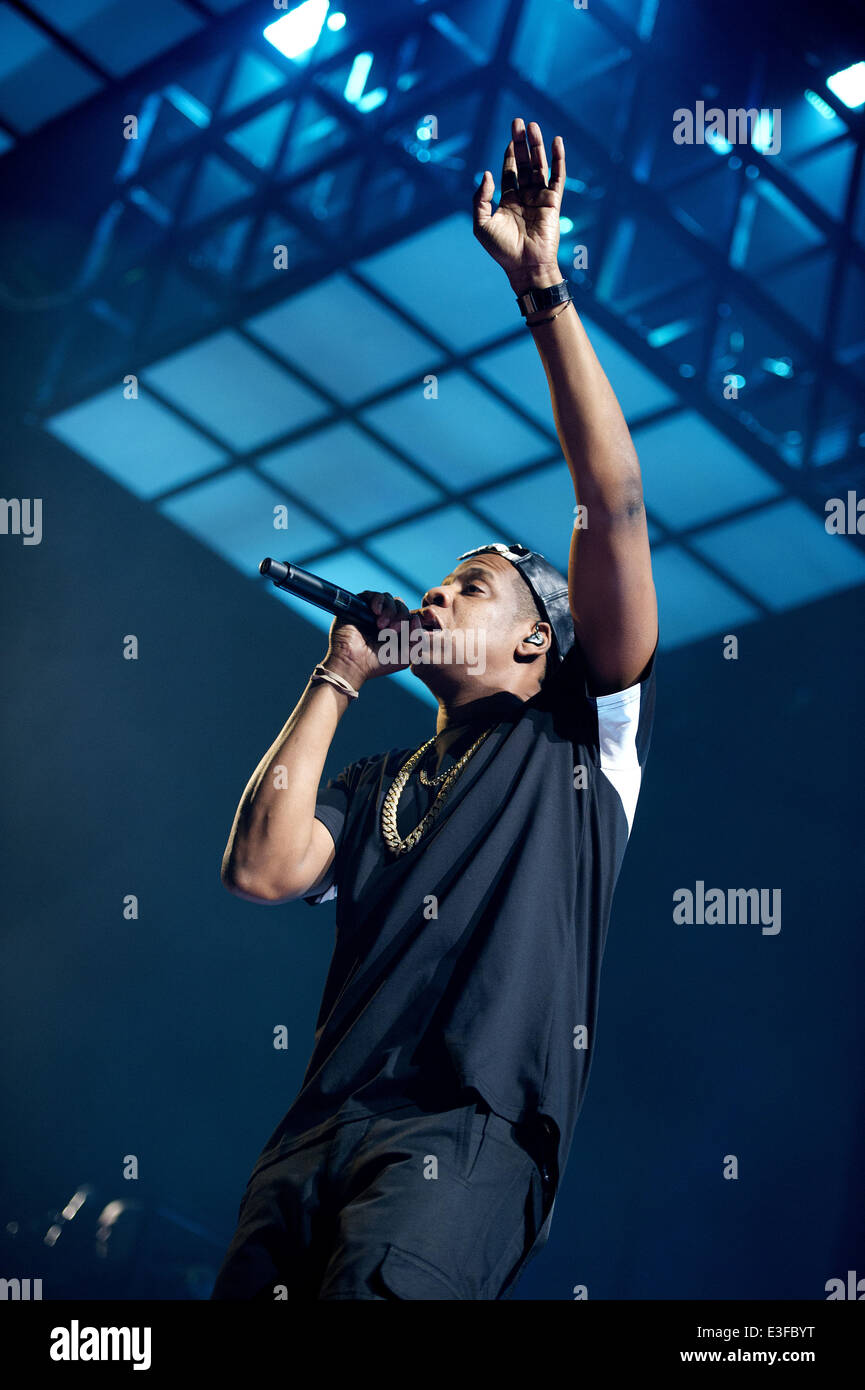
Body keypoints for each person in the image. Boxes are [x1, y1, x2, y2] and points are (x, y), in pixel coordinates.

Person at [211, 118, 658, 1301]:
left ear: (532, 636)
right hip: (308, 1136)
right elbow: (259, 868)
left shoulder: (581, 734)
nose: (431, 595)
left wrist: (540, 285)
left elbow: (611, 504)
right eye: (431, 583)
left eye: (468, 584)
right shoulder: (379, 785)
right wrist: (341, 673)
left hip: (460, 1138)